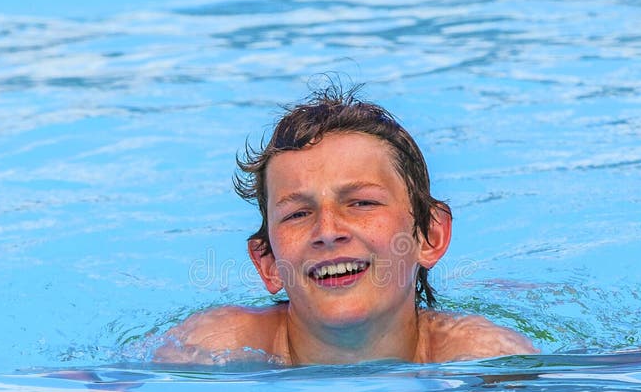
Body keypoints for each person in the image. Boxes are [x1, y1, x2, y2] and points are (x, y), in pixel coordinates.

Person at [155, 85, 537, 366]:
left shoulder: (487, 360)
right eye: (298, 214)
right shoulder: (206, 351)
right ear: (267, 263)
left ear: (430, 236)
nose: (328, 230)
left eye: (362, 203)